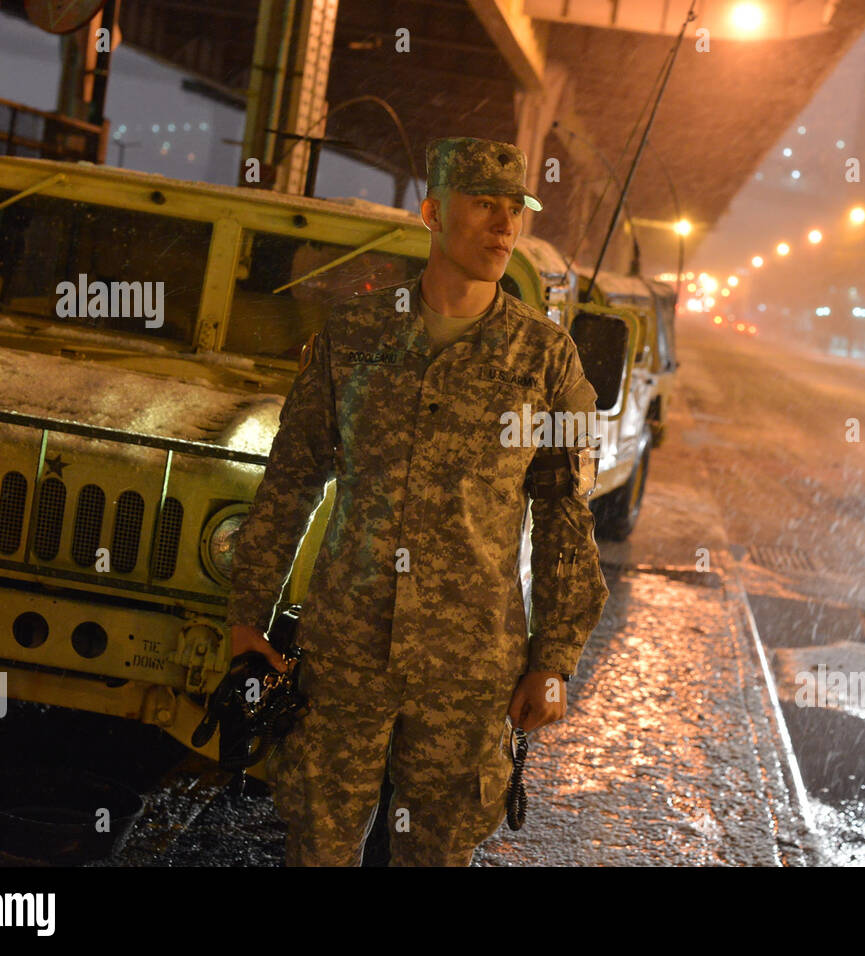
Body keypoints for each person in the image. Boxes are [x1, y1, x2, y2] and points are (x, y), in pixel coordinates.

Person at [225, 136, 610, 866]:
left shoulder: (545, 359)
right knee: (317, 847)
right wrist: (249, 615)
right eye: (484, 206)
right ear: (432, 213)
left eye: (514, 209)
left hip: (467, 671)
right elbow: (291, 479)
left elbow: (564, 513)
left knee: (436, 854)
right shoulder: (358, 333)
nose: (505, 225)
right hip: (345, 656)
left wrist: (553, 658)